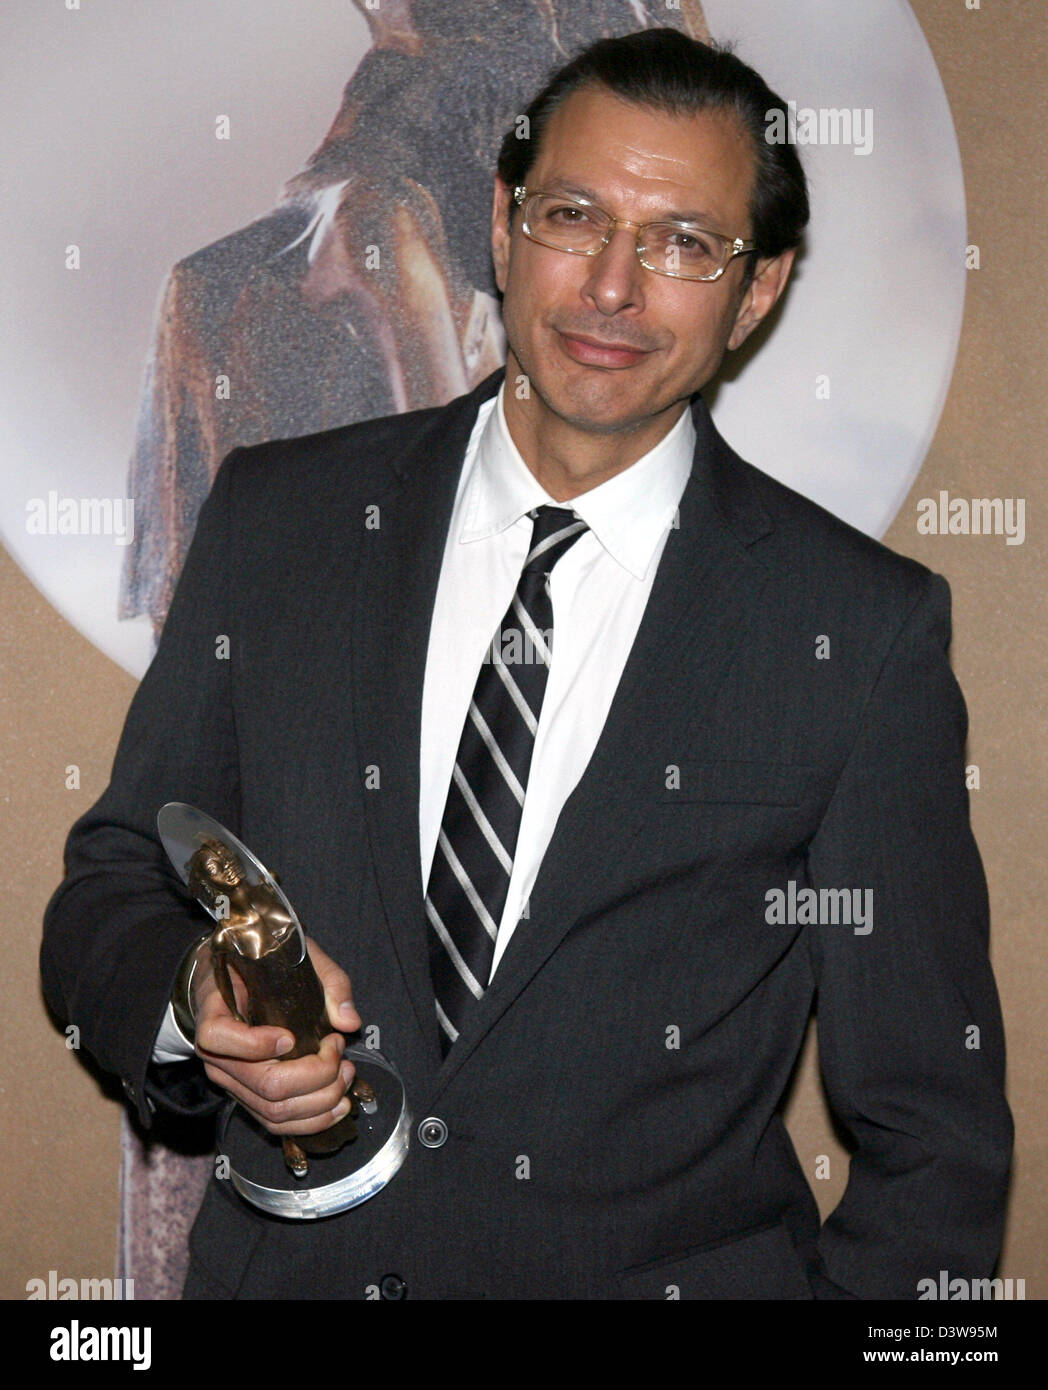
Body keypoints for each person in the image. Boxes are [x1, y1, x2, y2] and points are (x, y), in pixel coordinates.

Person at [42, 28, 1012, 1300]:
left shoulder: (857, 629)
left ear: (758, 290)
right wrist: (188, 994)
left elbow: (933, 1131)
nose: (612, 286)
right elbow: (115, 882)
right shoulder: (282, 523)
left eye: (681, 243)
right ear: (501, 224)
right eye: (573, 216)